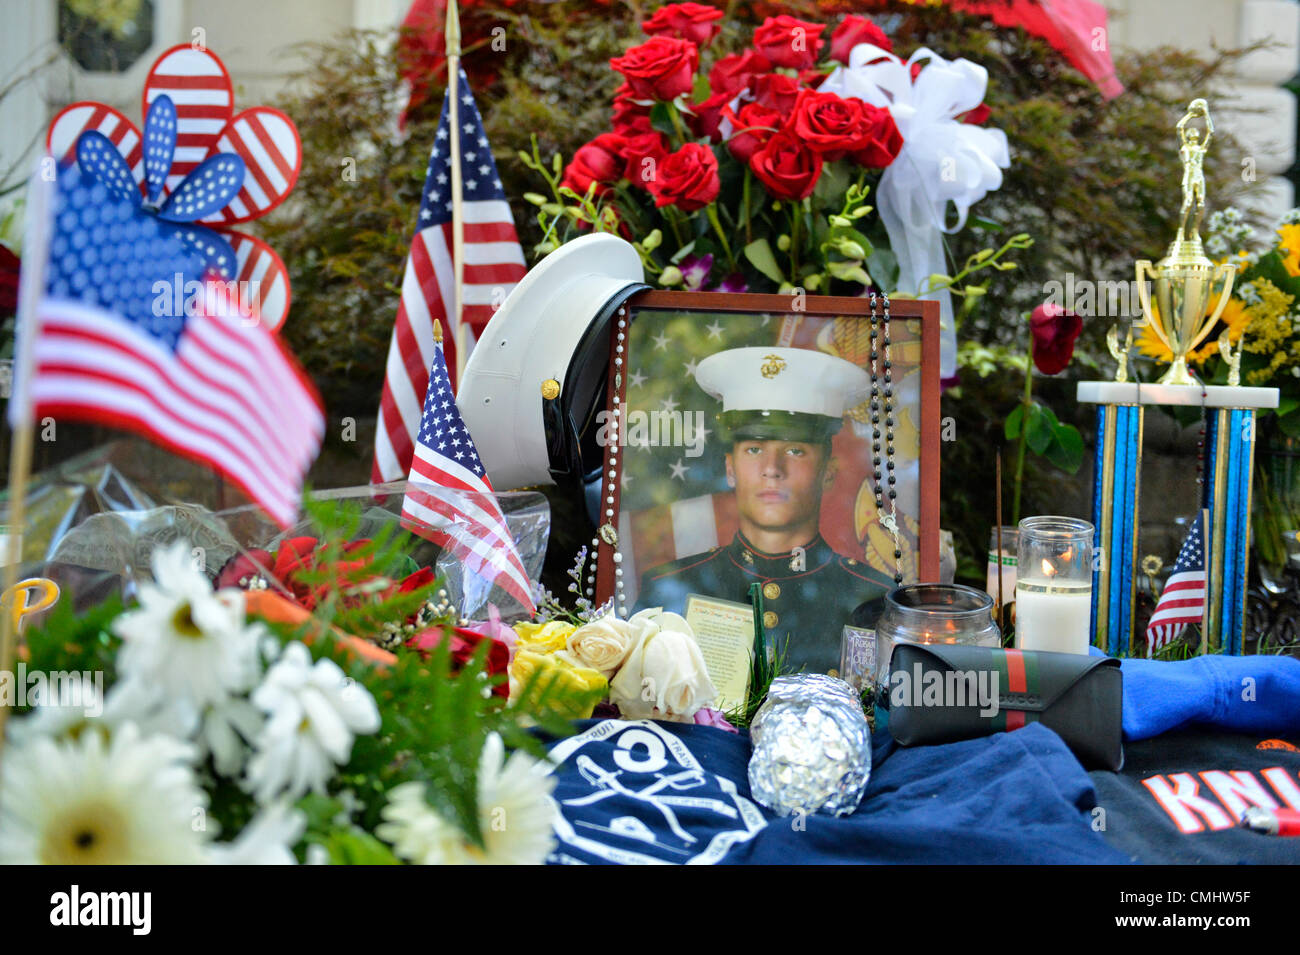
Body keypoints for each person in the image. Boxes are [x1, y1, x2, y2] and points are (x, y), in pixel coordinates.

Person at [634, 346, 895, 675]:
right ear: (730, 468)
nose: (772, 469)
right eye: (755, 449)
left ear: (829, 471)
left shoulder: (874, 597)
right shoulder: (667, 588)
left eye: (796, 450)